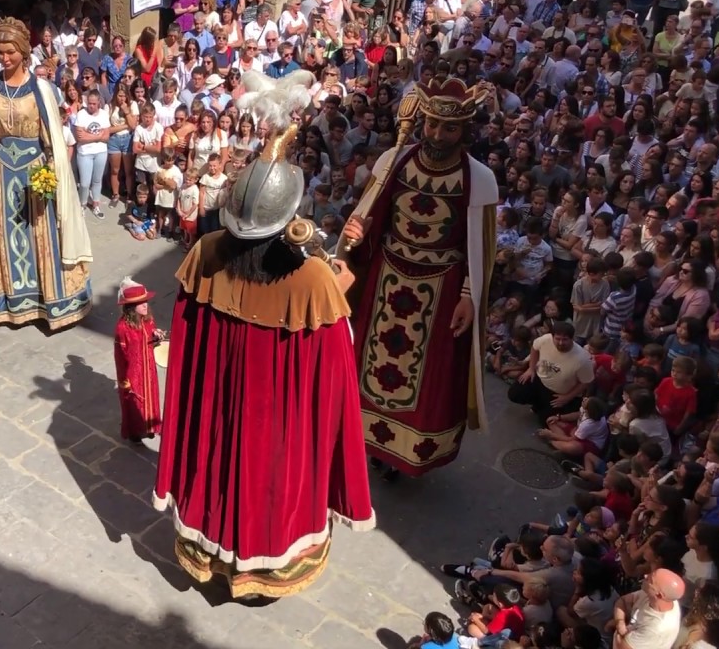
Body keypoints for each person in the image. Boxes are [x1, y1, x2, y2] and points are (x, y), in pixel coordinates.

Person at [153, 72, 374, 601]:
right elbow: (334, 371)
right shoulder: (314, 280)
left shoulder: (206, 252)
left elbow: (189, 346)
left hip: (218, 406)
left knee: (218, 464)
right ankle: (263, 573)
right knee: (267, 482)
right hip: (280, 420)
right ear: (287, 220)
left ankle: (211, 557)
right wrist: (343, 274)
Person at [341, 78, 499, 480]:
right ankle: (363, 440)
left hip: (443, 287)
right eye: (431, 125)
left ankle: (406, 452)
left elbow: (479, 249)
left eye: (449, 129)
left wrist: (469, 294)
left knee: (430, 375)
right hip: (386, 278)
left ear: (465, 131)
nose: (437, 135)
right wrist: (357, 233)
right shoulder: (392, 160)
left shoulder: (479, 179)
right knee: (368, 363)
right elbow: (366, 218)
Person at [0, 17, 94, 330]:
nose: (3, 58)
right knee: (5, 234)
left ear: (22, 52)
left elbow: (51, 136)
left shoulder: (40, 88)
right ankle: (10, 302)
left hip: (34, 172)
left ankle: (48, 301)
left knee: (40, 234)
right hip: (1, 172)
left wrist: (48, 169)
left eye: (9, 52)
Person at [113, 278, 164, 444]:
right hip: (133, 374)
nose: (145, 306)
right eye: (141, 303)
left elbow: (150, 336)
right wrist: (124, 382)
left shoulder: (147, 319)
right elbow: (120, 358)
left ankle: (150, 427)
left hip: (148, 369)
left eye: (146, 302)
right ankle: (135, 433)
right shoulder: (122, 329)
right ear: (132, 307)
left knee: (151, 399)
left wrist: (156, 335)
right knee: (136, 405)